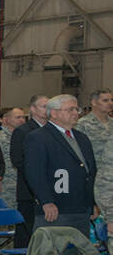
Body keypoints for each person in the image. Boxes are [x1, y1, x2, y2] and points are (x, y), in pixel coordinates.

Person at [25, 94, 98, 234]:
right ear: (54, 113)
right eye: (70, 109)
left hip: (81, 207)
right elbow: (35, 173)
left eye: (77, 109)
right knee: (53, 253)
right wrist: (46, 201)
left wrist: (92, 202)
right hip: (56, 208)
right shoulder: (38, 137)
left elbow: (91, 170)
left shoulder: (82, 138)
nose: (75, 113)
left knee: (77, 254)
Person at [10, 93, 49, 252]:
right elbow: (18, 160)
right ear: (33, 109)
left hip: (49, 190)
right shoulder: (23, 131)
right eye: (44, 106)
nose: (48, 110)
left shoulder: (52, 130)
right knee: (26, 231)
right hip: (29, 190)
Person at [75, 88, 113, 221]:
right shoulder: (82, 125)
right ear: (94, 102)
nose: (110, 103)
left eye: (111, 100)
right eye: (105, 100)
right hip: (93, 177)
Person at [0, 106, 26, 210]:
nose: (22, 120)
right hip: (6, 186)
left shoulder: (27, 137)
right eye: (18, 117)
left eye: (23, 117)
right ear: (7, 119)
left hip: (22, 185)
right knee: (4, 219)